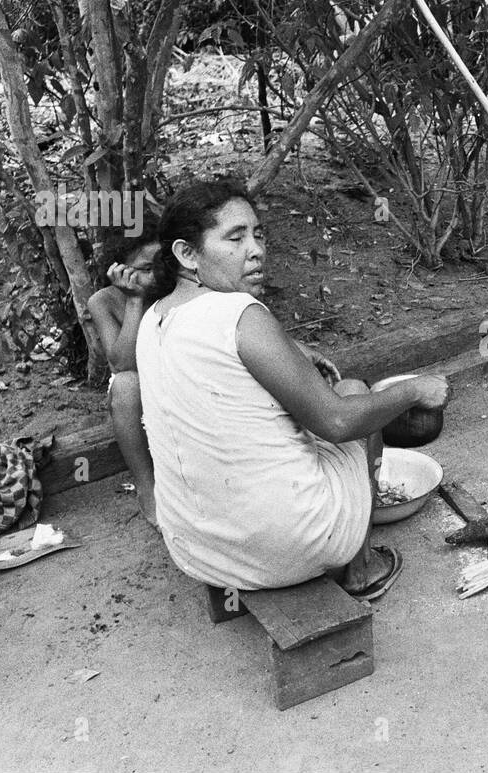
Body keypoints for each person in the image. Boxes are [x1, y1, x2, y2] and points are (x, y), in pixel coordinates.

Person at [134, 177, 449, 597]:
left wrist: (291, 349)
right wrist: (414, 391)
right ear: (187, 254)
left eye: (258, 234)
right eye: (235, 238)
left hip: (197, 550)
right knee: (354, 393)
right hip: (284, 548)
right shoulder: (240, 313)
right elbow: (337, 422)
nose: (256, 250)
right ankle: (361, 570)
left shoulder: (154, 317)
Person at [87, 230, 161, 527]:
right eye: (146, 268)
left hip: (178, 377)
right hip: (140, 386)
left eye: (163, 263)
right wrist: (134, 301)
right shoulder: (102, 301)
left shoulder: (178, 286)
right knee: (126, 384)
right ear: (120, 270)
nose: (157, 274)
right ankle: (147, 487)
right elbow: (121, 363)